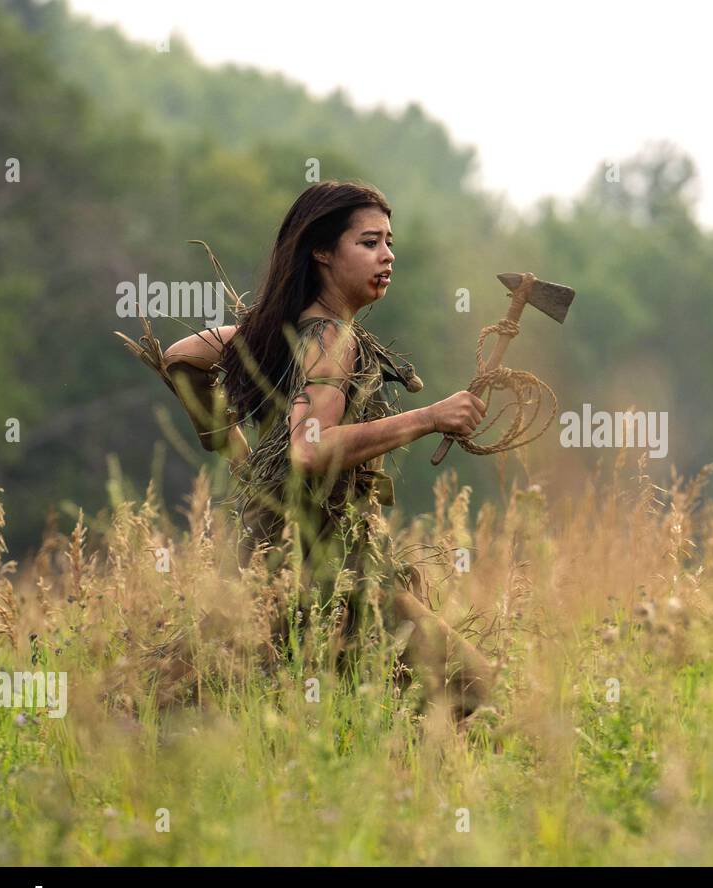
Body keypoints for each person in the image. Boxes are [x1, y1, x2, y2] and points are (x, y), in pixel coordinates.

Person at [131, 180, 495, 720]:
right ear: (322, 251)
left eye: (390, 242)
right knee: (471, 691)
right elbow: (309, 449)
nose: (387, 255)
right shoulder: (330, 339)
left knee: (243, 696)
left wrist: (236, 453)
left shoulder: (283, 330)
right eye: (369, 242)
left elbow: (183, 357)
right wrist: (431, 416)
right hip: (329, 571)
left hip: (281, 564)